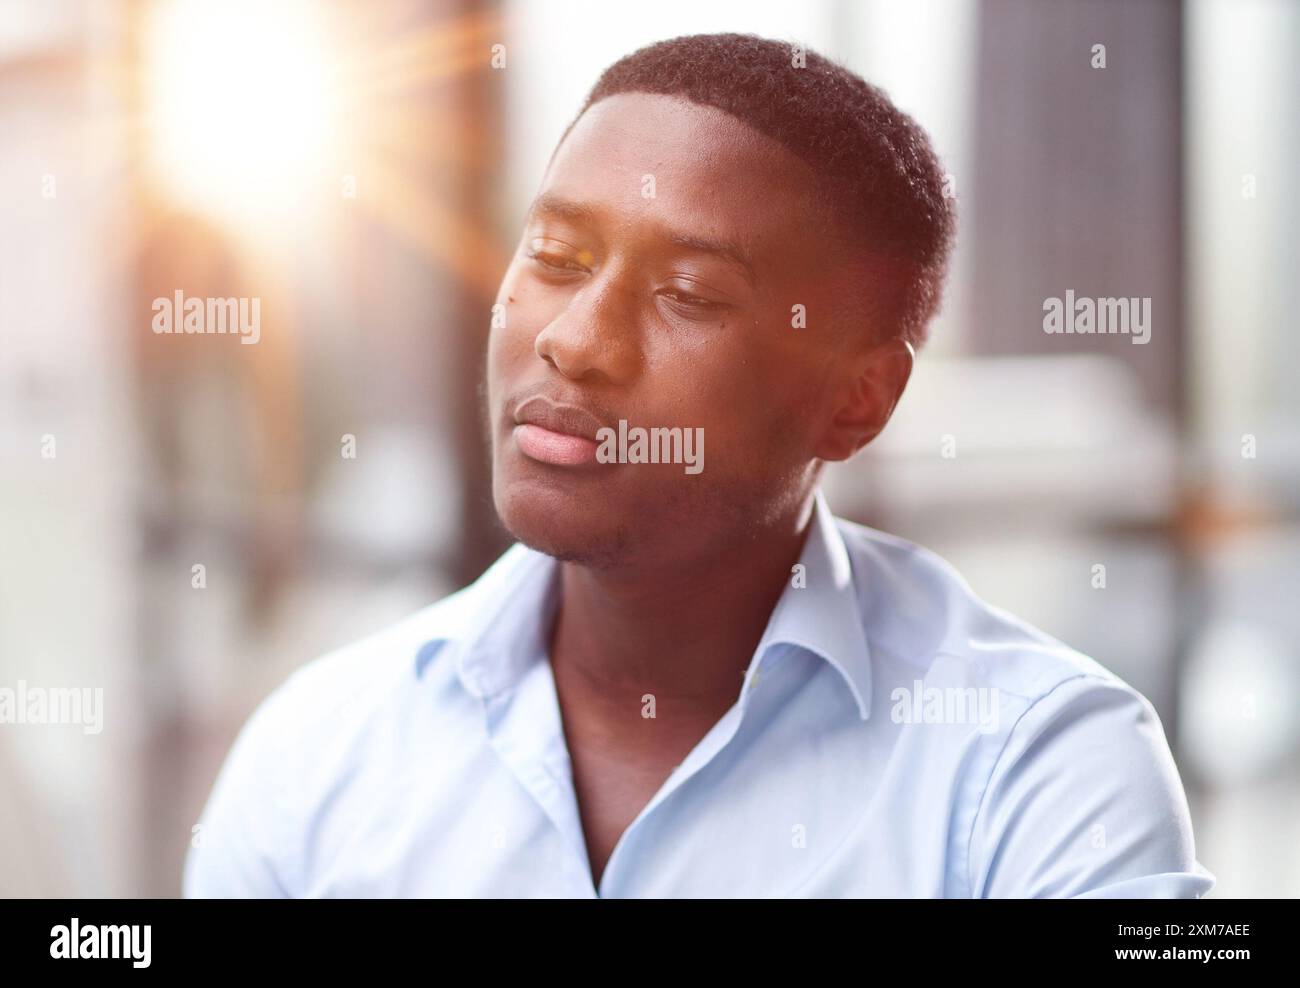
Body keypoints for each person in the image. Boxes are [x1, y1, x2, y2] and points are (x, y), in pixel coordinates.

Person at [185, 33, 1213, 898]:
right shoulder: (316, 755)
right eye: (556, 258)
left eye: (690, 295)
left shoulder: (1042, 773)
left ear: (855, 401)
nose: (578, 342)